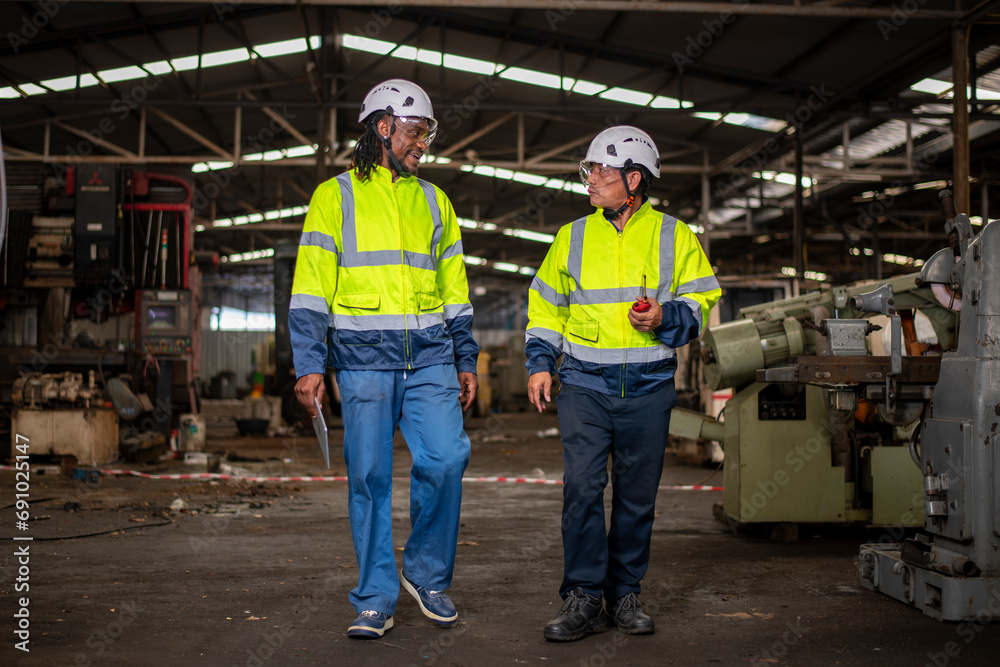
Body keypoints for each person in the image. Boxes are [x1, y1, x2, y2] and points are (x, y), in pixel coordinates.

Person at [289, 79, 479, 640]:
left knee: (445, 459)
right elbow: (310, 289)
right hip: (363, 359)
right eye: (416, 131)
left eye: (426, 133)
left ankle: (425, 574)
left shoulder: (434, 201)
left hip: (431, 359)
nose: (423, 142)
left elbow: (456, 291)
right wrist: (308, 363)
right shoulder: (336, 196)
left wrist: (465, 356)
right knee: (370, 477)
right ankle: (375, 596)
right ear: (383, 127)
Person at [525, 126, 720, 642]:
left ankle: (624, 593)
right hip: (585, 386)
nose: (591, 180)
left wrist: (664, 316)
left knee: (637, 498)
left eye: (602, 171)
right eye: (589, 170)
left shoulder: (676, 236)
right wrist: (540, 362)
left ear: (634, 180)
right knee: (583, 490)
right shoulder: (572, 237)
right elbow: (545, 307)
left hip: (649, 387)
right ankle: (584, 597)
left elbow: (700, 306)